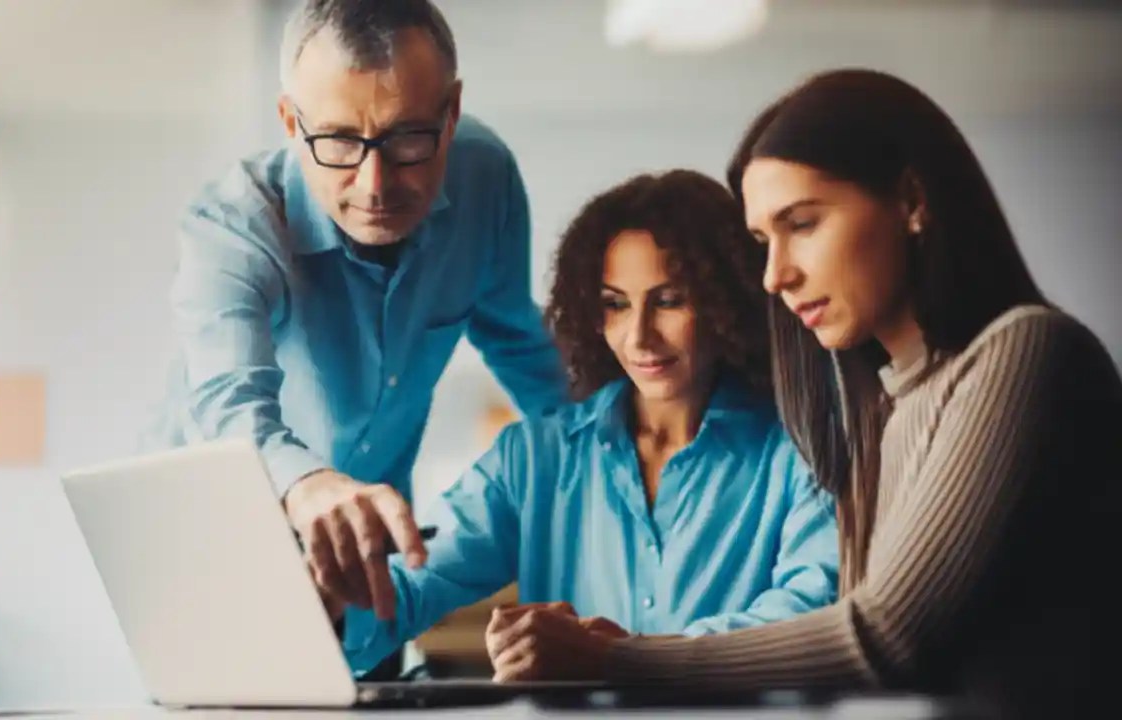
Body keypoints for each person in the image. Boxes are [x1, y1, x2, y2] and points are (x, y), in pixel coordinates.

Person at [481, 68, 1122, 717]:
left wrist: (615, 658)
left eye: (804, 224)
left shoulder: (1027, 349)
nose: (775, 275)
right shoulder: (881, 408)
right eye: (764, 241)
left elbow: (889, 637)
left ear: (911, 200)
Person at [146, 0, 566, 650]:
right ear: (292, 122)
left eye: (408, 140)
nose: (374, 185)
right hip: (217, 545)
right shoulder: (232, 227)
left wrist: (631, 443)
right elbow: (230, 405)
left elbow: (519, 341)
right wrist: (307, 483)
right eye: (339, 141)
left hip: (374, 571)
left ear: (451, 112)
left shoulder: (485, 181)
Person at [325, 170, 838, 675]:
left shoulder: (798, 452)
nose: (639, 337)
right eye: (615, 305)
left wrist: (621, 656)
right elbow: (413, 585)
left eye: (668, 301)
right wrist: (330, 602)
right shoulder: (534, 458)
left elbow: (808, 617)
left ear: (726, 303)